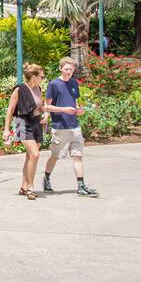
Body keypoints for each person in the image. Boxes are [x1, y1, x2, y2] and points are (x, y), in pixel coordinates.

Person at [44, 55, 97, 196]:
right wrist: (63, 110)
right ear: (60, 68)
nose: (69, 72)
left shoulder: (74, 83)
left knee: (78, 156)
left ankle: (81, 186)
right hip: (60, 127)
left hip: (75, 126)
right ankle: (46, 178)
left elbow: (75, 102)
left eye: (71, 69)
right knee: (55, 156)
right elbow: (47, 106)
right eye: (66, 69)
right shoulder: (53, 84)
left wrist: (78, 110)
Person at [4, 63, 47, 200]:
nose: (43, 78)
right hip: (21, 123)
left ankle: (24, 186)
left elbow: (41, 106)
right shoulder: (20, 90)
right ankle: (30, 187)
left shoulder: (38, 89)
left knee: (30, 157)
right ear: (34, 76)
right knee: (35, 155)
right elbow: (10, 110)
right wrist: (6, 130)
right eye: (42, 76)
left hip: (36, 123)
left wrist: (45, 114)